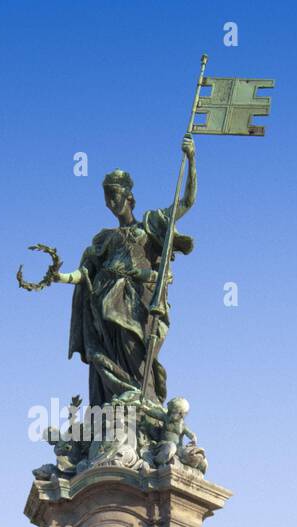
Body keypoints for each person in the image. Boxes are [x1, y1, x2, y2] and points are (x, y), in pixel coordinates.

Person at [51, 134, 197, 407]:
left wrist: (191, 159)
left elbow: (187, 201)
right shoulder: (104, 238)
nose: (109, 202)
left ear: (129, 197)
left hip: (139, 305)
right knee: (105, 355)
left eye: (114, 195)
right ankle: (118, 403)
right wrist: (58, 277)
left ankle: (143, 403)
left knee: (137, 355)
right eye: (106, 197)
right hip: (105, 308)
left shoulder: (151, 224)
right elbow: (85, 273)